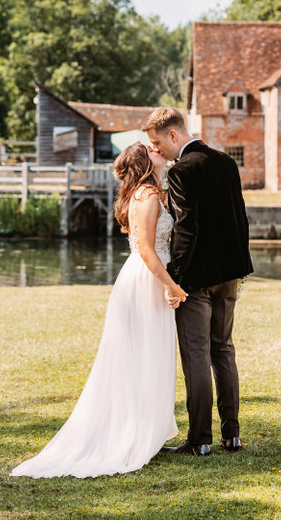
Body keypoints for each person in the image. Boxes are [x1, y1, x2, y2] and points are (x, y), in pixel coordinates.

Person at [10, 143, 188, 478]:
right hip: (148, 279)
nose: (157, 149)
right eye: (150, 150)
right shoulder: (148, 197)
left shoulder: (147, 193)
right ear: (145, 161)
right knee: (145, 354)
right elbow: (148, 250)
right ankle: (135, 433)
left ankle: (144, 425)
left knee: (147, 354)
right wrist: (170, 285)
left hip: (143, 277)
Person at [142, 107, 254, 456]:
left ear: (173, 135)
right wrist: (240, 266)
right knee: (223, 349)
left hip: (197, 279)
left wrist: (175, 279)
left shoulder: (182, 172)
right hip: (230, 274)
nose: (157, 150)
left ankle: (200, 439)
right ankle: (231, 435)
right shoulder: (227, 163)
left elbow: (186, 230)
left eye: (158, 143)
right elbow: (240, 218)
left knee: (196, 354)